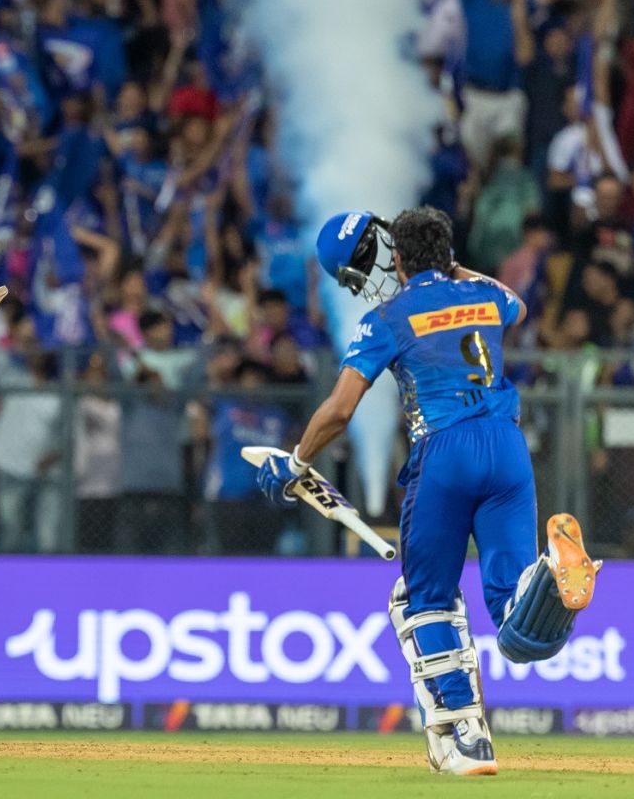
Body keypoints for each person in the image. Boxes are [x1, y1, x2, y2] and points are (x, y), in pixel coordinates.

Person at [256, 207, 601, 776]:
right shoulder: (487, 298)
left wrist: (295, 462)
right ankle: (547, 577)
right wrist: (446, 265)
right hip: (508, 450)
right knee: (515, 622)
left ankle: (467, 739)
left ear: (395, 257)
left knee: (423, 600)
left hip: (445, 451)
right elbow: (514, 300)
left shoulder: (387, 319)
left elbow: (340, 410)